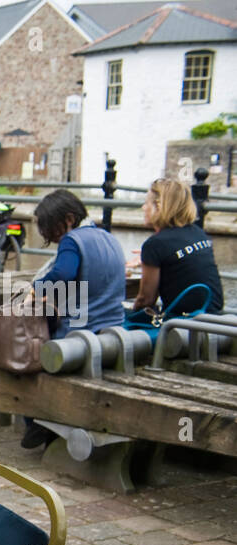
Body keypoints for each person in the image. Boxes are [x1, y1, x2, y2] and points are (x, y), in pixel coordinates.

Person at [20, 189, 126, 448]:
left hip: (81, 334)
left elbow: (63, 273)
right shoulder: (107, 237)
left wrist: (36, 289)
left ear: (67, 219)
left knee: (27, 357)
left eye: (52, 230)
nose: (54, 239)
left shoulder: (73, 240)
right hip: (115, 330)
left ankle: (36, 423)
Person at [130, 177, 224, 317]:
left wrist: (130, 316)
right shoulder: (198, 233)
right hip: (215, 318)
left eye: (146, 203)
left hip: (184, 324)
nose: (143, 208)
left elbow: (146, 300)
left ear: (159, 206)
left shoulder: (155, 244)